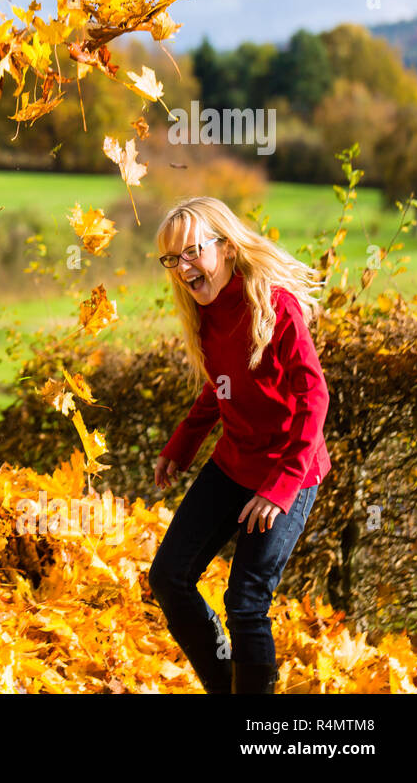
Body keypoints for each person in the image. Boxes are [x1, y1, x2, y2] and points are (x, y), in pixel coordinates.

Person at [149, 196, 331, 694]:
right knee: (168, 577)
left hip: (288, 473)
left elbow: (314, 396)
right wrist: (182, 444)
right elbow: (221, 385)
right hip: (234, 463)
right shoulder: (206, 313)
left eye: (191, 252)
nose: (182, 267)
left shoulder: (275, 306)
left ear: (227, 248)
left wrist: (279, 489)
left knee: (246, 601)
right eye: (172, 258)